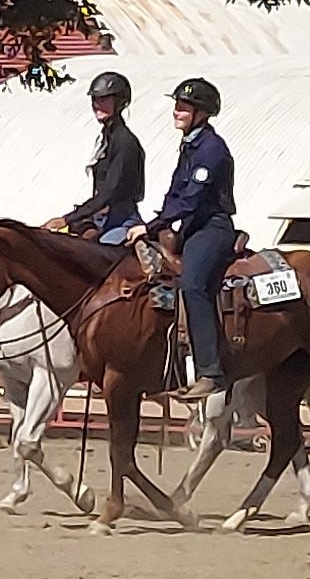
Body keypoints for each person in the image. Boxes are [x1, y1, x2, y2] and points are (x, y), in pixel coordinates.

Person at [126, 77, 237, 401]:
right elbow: (175, 194)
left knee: (193, 285)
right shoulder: (190, 146)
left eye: (184, 107)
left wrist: (151, 226)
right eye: (177, 105)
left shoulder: (211, 149)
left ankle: (211, 372)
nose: (177, 111)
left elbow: (190, 200)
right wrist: (157, 224)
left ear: (201, 113)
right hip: (189, 226)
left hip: (211, 228)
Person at [50, 70, 145, 244]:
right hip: (102, 219)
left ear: (120, 102)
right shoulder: (106, 138)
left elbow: (109, 191)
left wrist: (67, 219)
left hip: (121, 221)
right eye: (95, 99)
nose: (97, 104)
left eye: (104, 99)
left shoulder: (124, 142)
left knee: (101, 260)